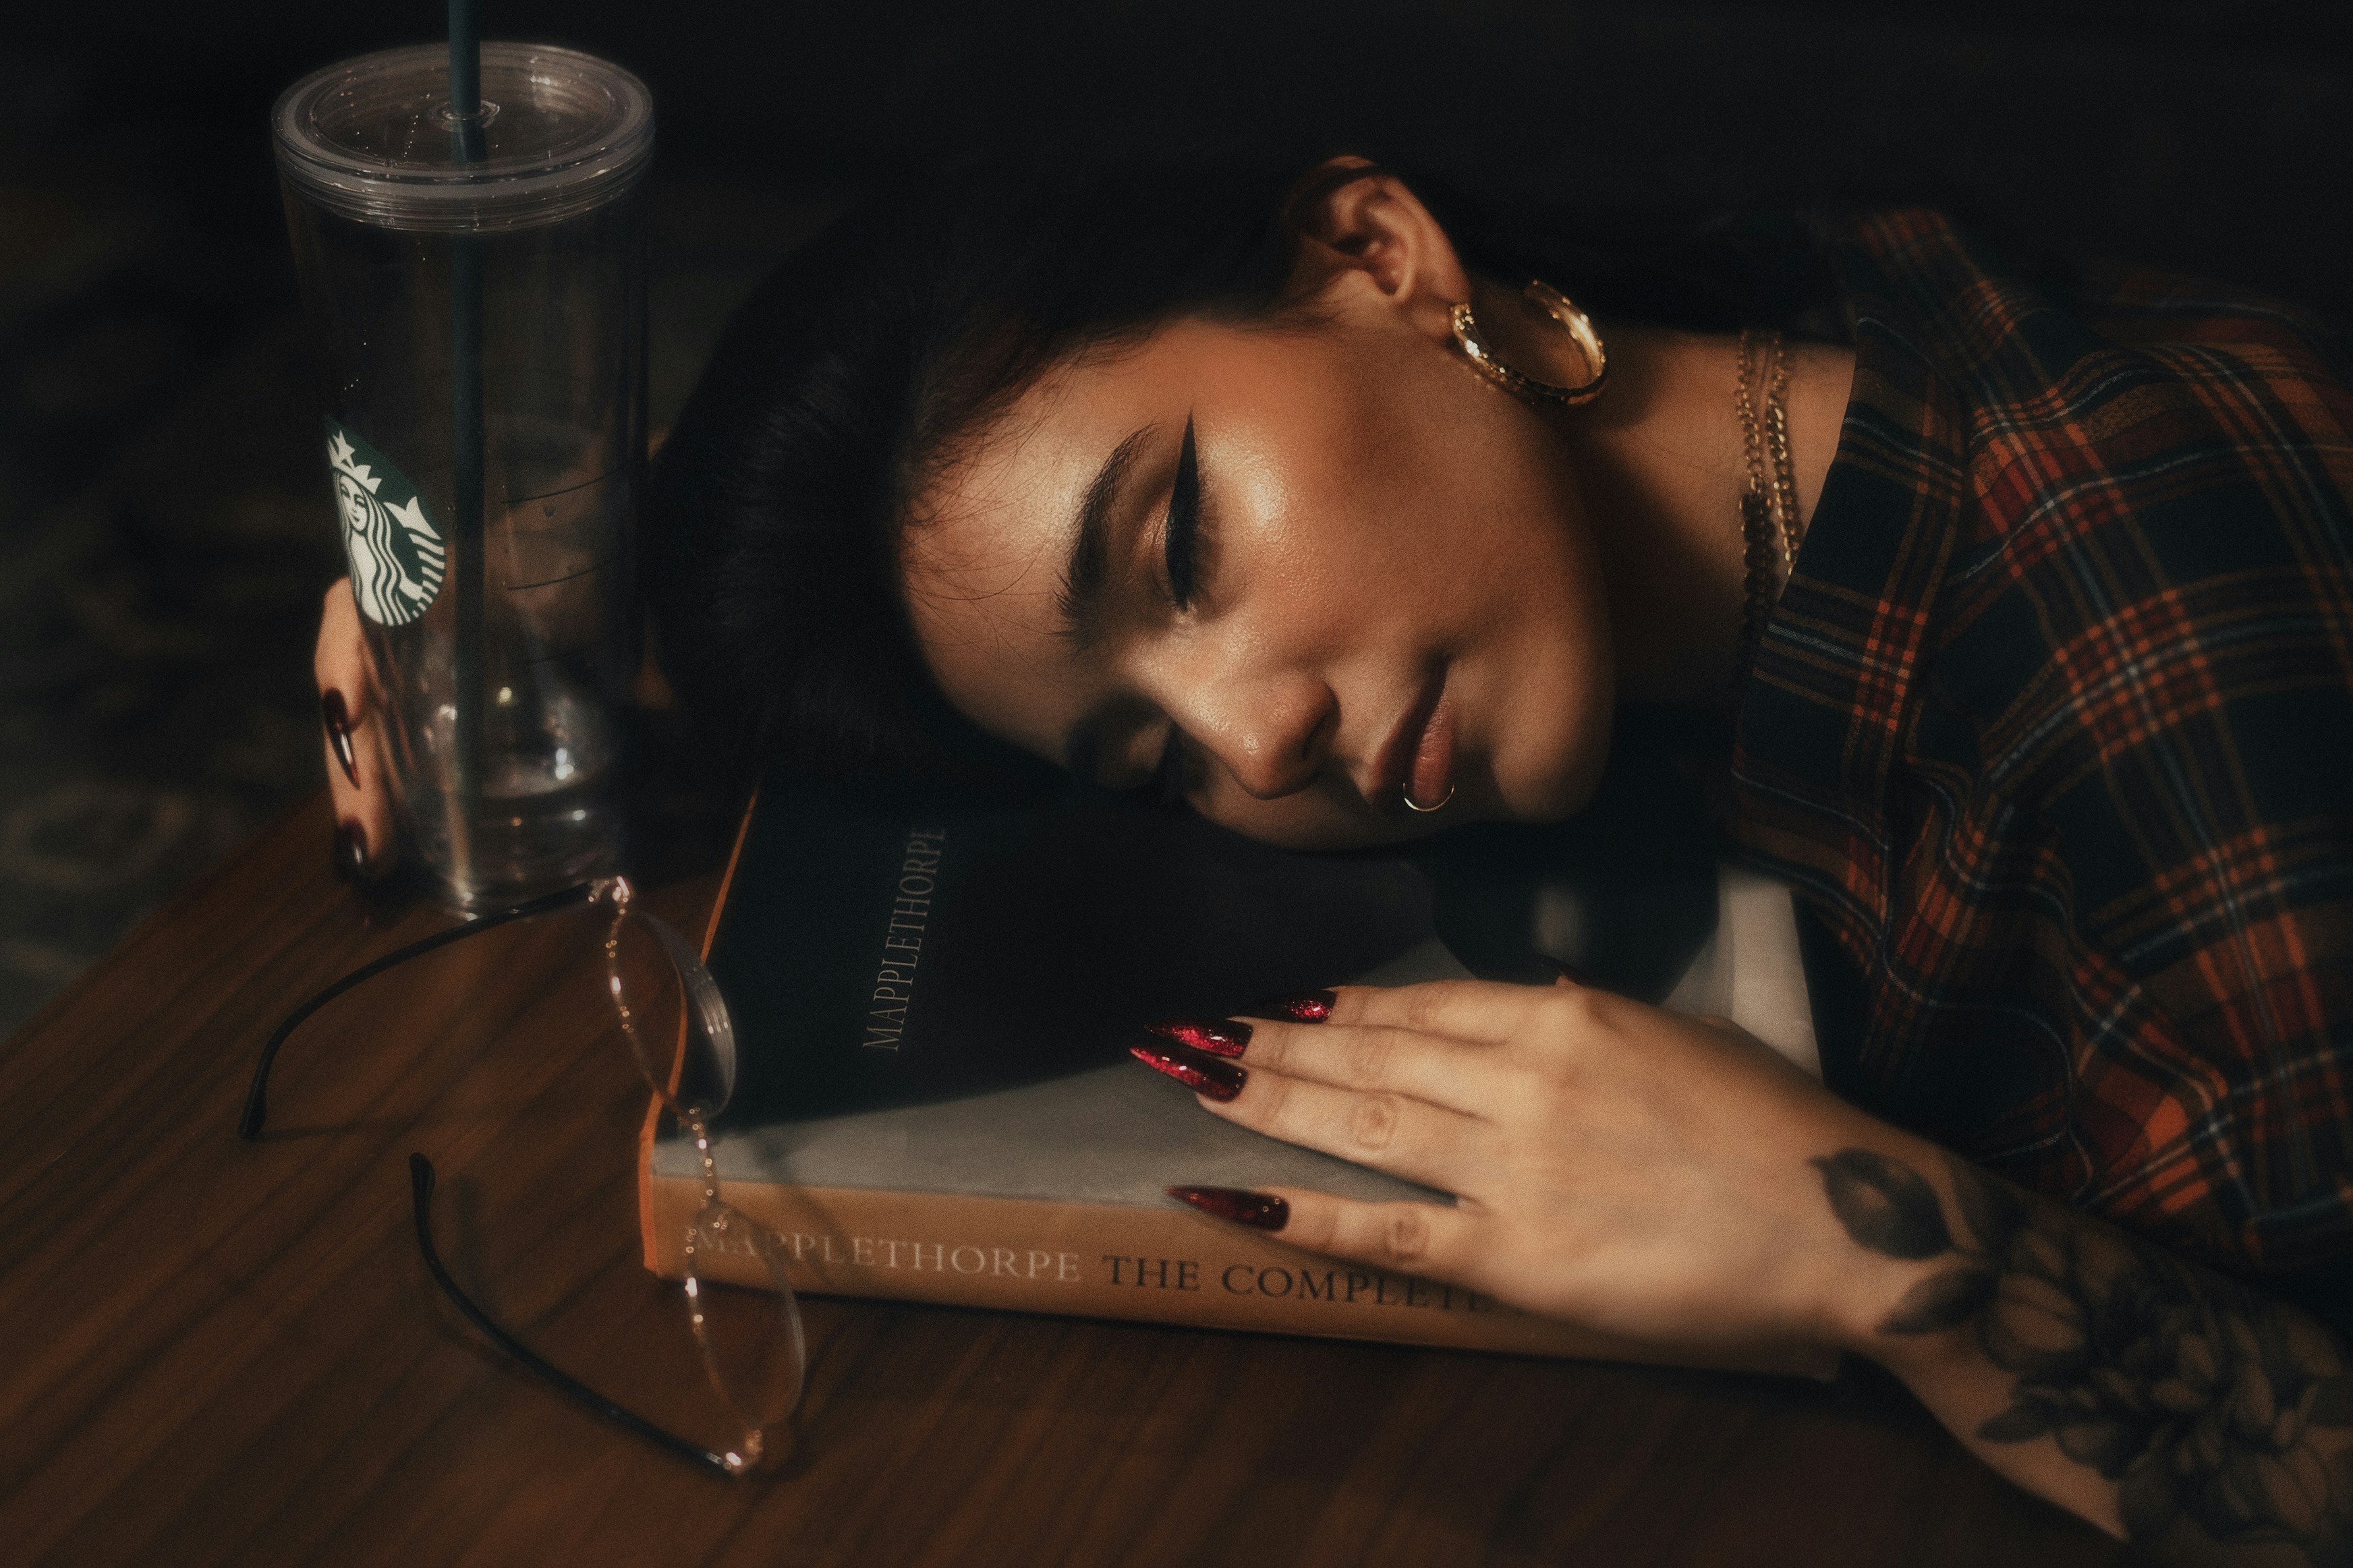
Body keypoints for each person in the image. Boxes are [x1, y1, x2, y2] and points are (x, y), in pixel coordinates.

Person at [312, 151, 2353, 1559]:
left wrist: (1870, 1256)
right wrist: (541, 583)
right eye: (1141, 753)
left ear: (1380, 252)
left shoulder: (2142, 686)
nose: (1251, 737)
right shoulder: (1810, 349)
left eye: (1183, 547)